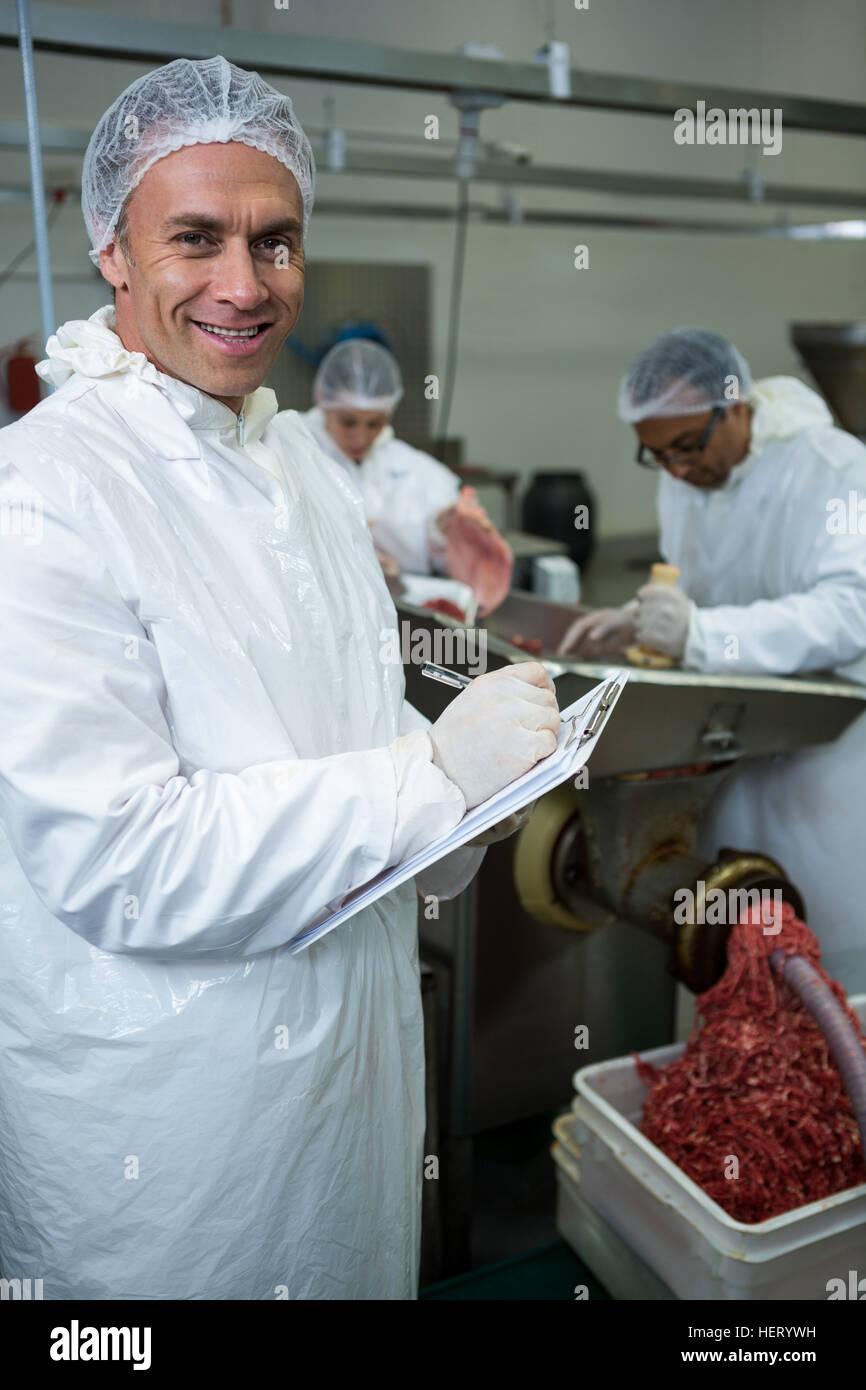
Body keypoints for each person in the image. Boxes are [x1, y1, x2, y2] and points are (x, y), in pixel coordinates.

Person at [0, 56, 560, 1300]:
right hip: (173, 1137)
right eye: (194, 238)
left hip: (349, 1089)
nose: (244, 286)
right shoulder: (44, 490)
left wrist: (468, 800)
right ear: (111, 251)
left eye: (277, 241)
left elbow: (349, 740)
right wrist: (426, 777)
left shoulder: (301, 462)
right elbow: (123, 856)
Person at [559, 328, 866, 995]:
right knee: (732, 955)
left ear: (736, 406)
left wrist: (700, 636)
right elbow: (696, 591)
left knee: (827, 975)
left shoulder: (834, 468)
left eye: (687, 447)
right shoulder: (685, 480)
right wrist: (643, 623)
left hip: (829, 770)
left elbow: (851, 612)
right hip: (730, 759)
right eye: (655, 455)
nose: (674, 470)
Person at [303, 338, 514, 614]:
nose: (361, 436)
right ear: (322, 400)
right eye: (348, 422)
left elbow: (446, 571)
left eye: (375, 424)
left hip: (404, 614)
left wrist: (444, 532)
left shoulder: (417, 471)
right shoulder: (291, 452)